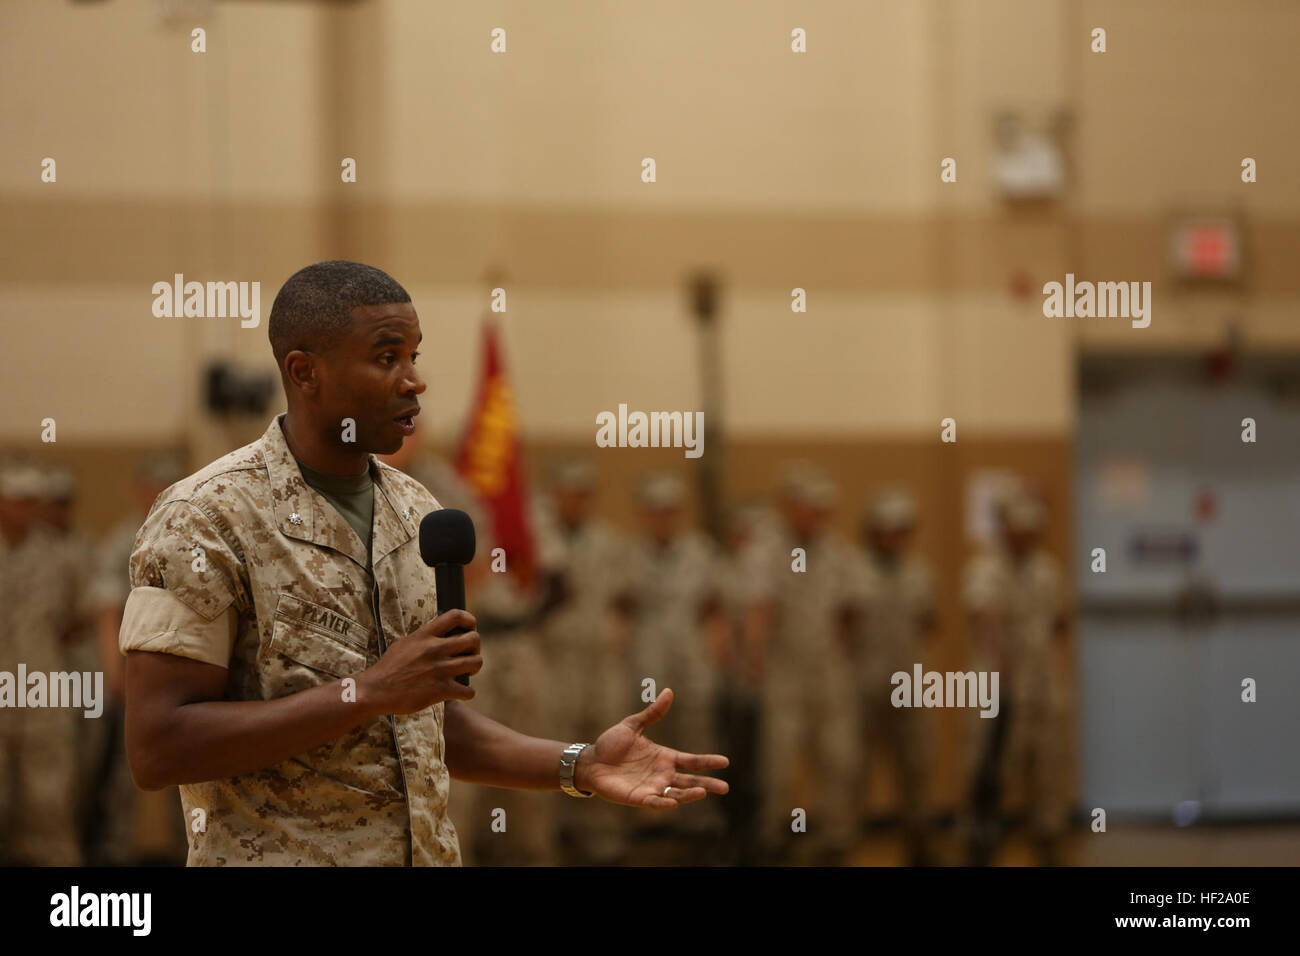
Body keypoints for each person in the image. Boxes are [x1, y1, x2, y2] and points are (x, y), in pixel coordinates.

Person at [118, 260, 728, 867]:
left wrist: (579, 764)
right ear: (305, 372)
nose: (415, 381)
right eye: (387, 358)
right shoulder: (207, 517)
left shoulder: (418, 512)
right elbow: (157, 747)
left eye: (413, 356)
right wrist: (368, 692)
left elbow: (427, 725)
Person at [530, 457, 638, 864]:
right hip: (554, 658)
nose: (578, 501)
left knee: (604, 746)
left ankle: (601, 833)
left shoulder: (607, 541)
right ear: (554, 493)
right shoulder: (536, 539)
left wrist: (618, 632)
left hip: (600, 660)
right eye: (570, 493)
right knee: (552, 747)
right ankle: (546, 836)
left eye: (584, 494)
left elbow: (625, 596)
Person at [753, 462, 861, 865]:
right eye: (810, 507)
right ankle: (773, 838)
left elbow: (849, 609)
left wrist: (840, 651)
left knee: (838, 758)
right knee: (779, 763)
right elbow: (759, 611)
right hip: (785, 669)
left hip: (829, 670)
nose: (818, 516)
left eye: (823, 508)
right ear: (790, 506)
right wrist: (757, 662)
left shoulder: (837, 552)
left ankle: (835, 839)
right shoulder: (768, 550)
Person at [960, 489, 1069, 866]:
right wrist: (1001, 660)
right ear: (1004, 530)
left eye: (1030, 531)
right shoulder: (986, 569)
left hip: (1042, 684)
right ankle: (982, 844)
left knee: (1047, 765)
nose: (1023, 537)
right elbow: (985, 615)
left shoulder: (1047, 570)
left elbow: (1059, 621)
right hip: (999, 685)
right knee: (991, 767)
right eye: (1017, 530)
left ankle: (1049, 840)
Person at [625, 472, 727, 858]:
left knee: (697, 743)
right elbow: (622, 609)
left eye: (669, 511)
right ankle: (648, 823)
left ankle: (698, 826)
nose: (663, 518)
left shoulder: (701, 552)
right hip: (647, 664)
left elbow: (714, 608)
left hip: (692, 663)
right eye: (655, 511)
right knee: (643, 746)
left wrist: (718, 656)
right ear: (644, 514)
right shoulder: (630, 556)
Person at [0, 461, 83, 865]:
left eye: (31, 501)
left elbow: (79, 616)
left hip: (41, 687)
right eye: (17, 500)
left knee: (48, 795)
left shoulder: (60, 555)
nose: (25, 509)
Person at [851, 489, 937, 865]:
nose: (893, 537)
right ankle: (844, 845)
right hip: (863, 685)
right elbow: (843, 624)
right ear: (873, 531)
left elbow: (928, 622)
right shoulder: (854, 572)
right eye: (886, 529)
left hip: (909, 686)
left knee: (916, 766)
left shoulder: (920, 574)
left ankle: (920, 845)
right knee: (853, 770)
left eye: (901, 530)